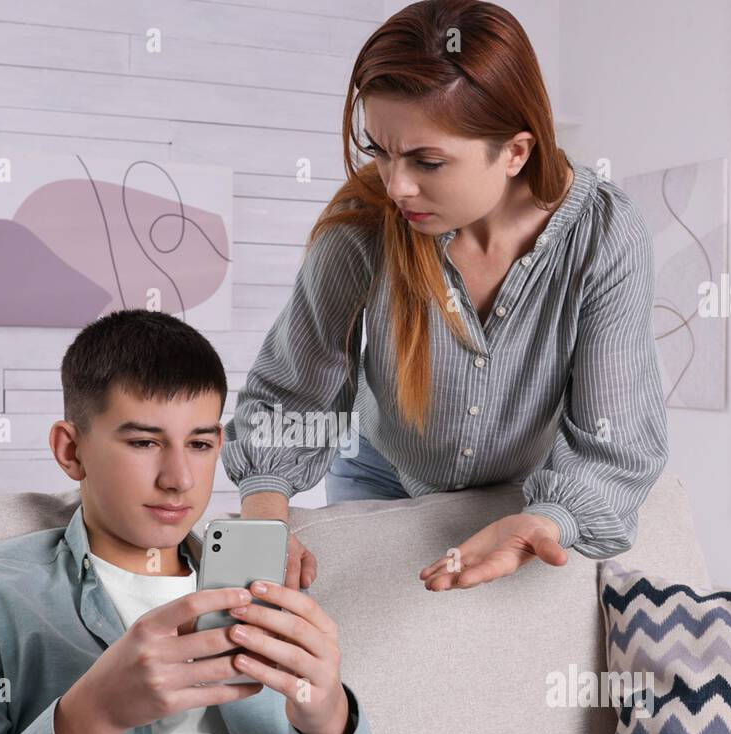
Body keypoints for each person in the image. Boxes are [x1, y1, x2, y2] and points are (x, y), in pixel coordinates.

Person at [0, 310, 399, 734]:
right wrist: (91, 717)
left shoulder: (261, 581)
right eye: (144, 443)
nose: (180, 478)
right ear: (71, 451)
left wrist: (326, 715)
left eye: (202, 445)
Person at [222, 0, 669, 593]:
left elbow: (614, 436)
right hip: (380, 476)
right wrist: (265, 517)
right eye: (380, 151)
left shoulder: (605, 233)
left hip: (524, 496)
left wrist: (547, 519)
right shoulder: (365, 222)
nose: (395, 185)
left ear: (516, 151)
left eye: (427, 161)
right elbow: (292, 390)